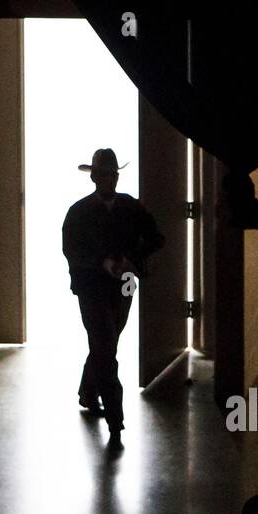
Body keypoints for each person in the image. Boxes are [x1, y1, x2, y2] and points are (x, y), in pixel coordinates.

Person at [61, 148, 164, 445]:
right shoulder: (78, 213)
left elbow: (157, 238)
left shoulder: (131, 207)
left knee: (106, 342)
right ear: (94, 177)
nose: (111, 179)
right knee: (105, 344)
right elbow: (71, 250)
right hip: (92, 287)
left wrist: (132, 260)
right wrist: (102, 263)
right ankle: (115, 419)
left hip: (124, 285)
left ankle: (88, 392)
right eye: (106, 174)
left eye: (114, 174)